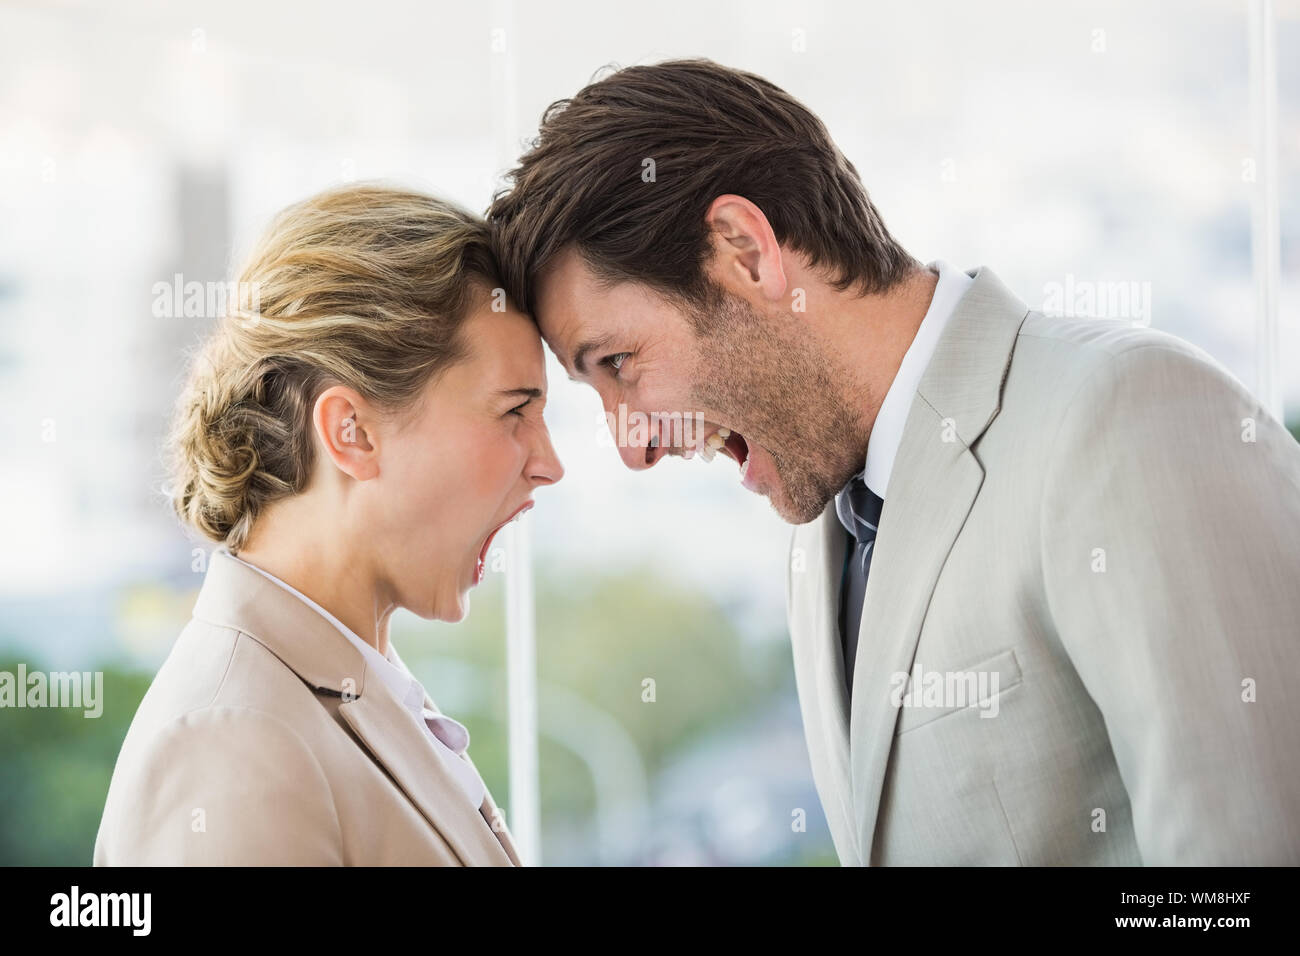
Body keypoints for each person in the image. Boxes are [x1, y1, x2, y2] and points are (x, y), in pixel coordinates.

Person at [486, 58, 1300, 865]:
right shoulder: (825, 521)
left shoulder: (1127, 416)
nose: (631, 445)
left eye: (619, 364)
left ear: (745, 251)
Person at [94, 184, 563, 865]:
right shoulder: (231, 743)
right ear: (352, 432)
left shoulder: (346, 689)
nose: (549, 464)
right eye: (514, 411)